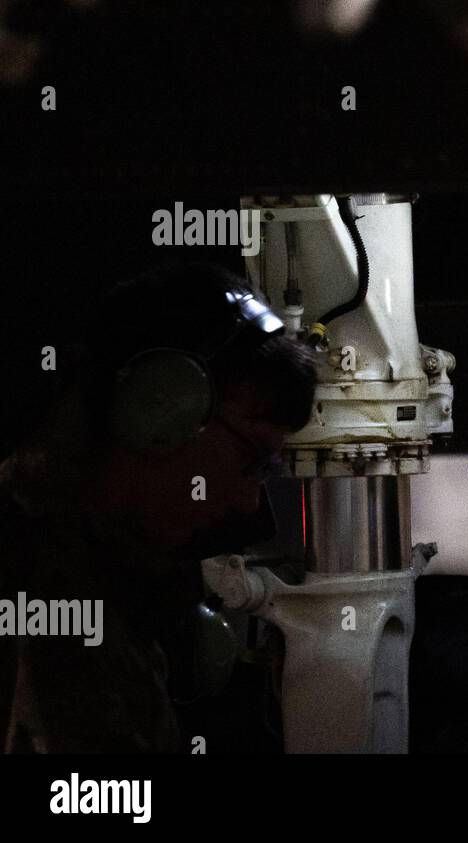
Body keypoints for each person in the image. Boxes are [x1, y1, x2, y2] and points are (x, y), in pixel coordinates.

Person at [0, 262, 317, 752]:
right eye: (252, 459)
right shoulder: (32, 595)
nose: (247, 499)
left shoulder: (110, 578)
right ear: (162, 405)